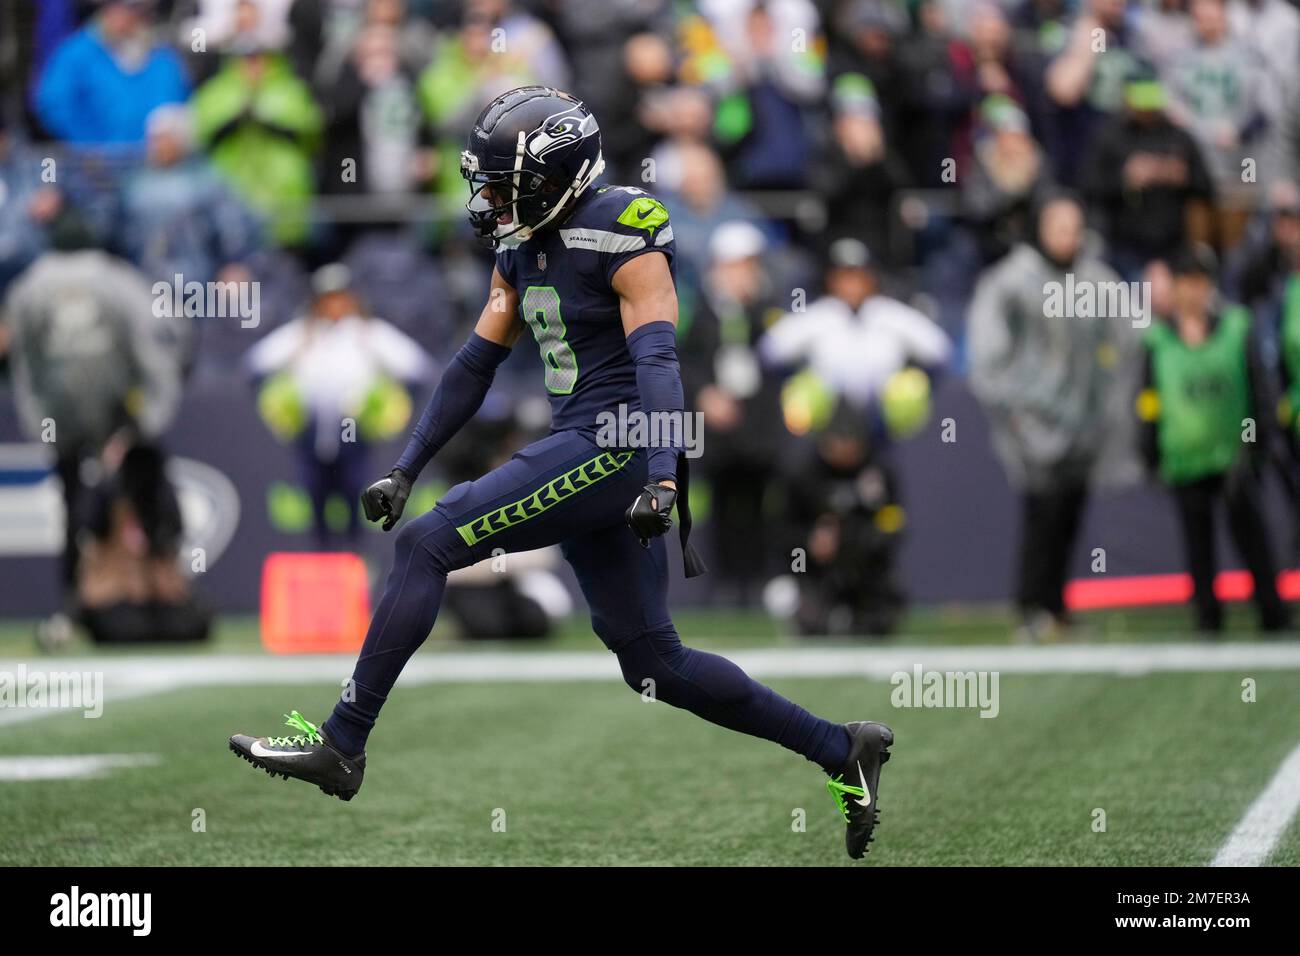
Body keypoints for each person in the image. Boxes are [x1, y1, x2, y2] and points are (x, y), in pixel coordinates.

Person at [229, 87, 893, 860]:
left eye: (504, 184)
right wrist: (409, 463)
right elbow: (475, 363)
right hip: (589, 446)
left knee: (425, 545)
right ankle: (841, 748)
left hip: (616, 445)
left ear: (557, 175)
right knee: (653, 661)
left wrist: (661, 475)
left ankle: (343, 744)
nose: (490, 201)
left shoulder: (626, 225)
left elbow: (655, 356)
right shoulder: (520, 245)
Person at [968, 194, 1137, 640]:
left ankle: (1057, 608)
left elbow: (1129, 337)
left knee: (1069, 515)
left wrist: (1107, 401)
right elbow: (987, 353)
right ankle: (1031, 608)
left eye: (1074, 227)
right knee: (1042, 514)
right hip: (1035, 423)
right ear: (1040, 228)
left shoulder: (1095, 279)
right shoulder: (1011, 282)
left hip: (1084, 423)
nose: (1068, 237)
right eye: (1059, 226)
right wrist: (1017, 404)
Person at [1136, 244, 1290, 632]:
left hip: (1232, 454)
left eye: (1199, 281)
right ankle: (1207, 618)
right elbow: (1149, 399)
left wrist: (1255, 441)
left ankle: (1273, 614)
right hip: (1185, 456)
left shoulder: (1236, 326)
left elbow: (1258, 387)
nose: (1193, 291)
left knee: (1252, 537)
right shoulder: (1158, 340)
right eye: (1185, 281)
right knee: (1197, 543)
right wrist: (1149, 446)